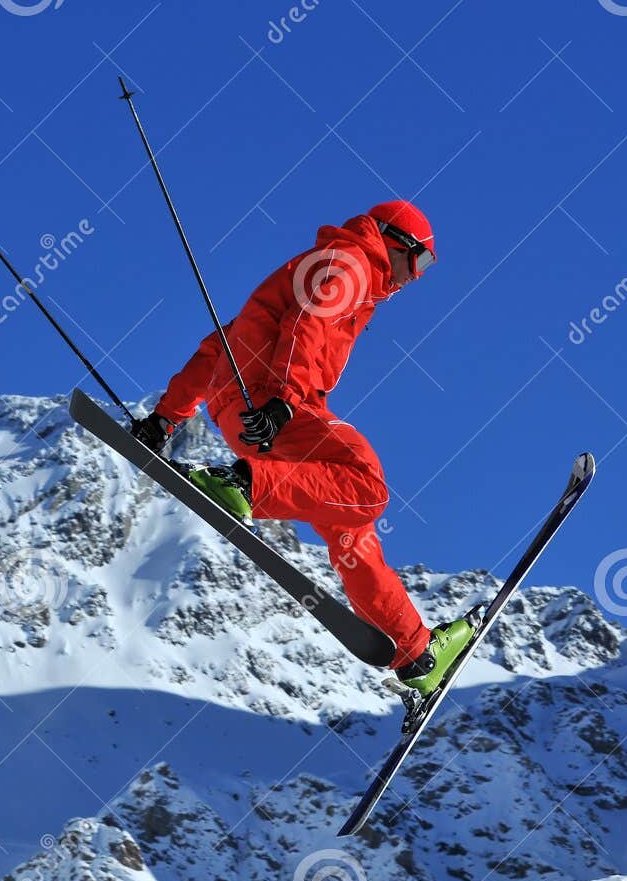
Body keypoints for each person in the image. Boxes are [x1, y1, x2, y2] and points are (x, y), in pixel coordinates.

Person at [128, 200, 472, 696]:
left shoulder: (327, 267)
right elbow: (306, 322)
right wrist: (285, 401)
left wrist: (166, 417)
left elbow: (219, 346)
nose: (416, 277)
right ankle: (240, 483)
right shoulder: (351, 263)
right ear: (394, 241)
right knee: (367, 482)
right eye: (420, 261)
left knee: (352, 524)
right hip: (271, 406)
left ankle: (416, 651)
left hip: (250, 412)